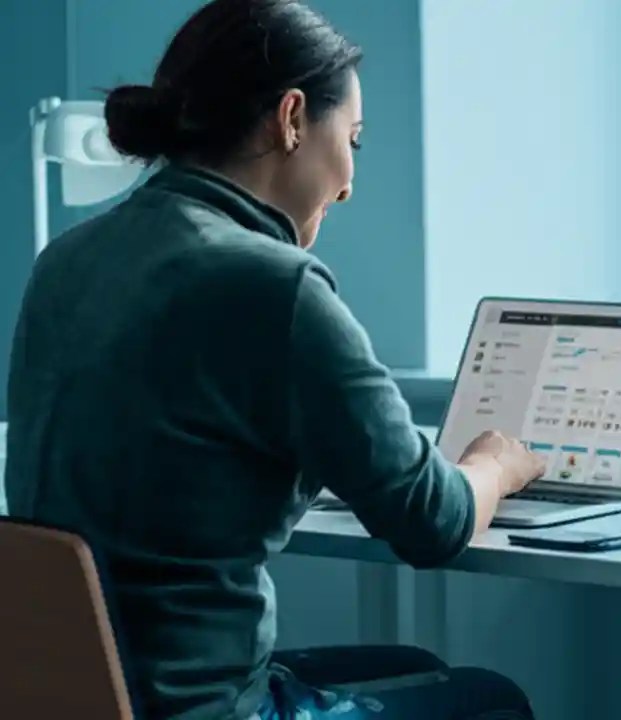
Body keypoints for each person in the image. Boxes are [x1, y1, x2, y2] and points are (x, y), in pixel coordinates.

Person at [3, 0, 547, 718]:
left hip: (79, 694)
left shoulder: (65, 261)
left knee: (413, 666)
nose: (349, 183)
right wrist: (496, 464)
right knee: (490, 700)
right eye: (351, 138)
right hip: (204, 707)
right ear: (292, 119)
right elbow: (433, 520)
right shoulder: (274, 284)